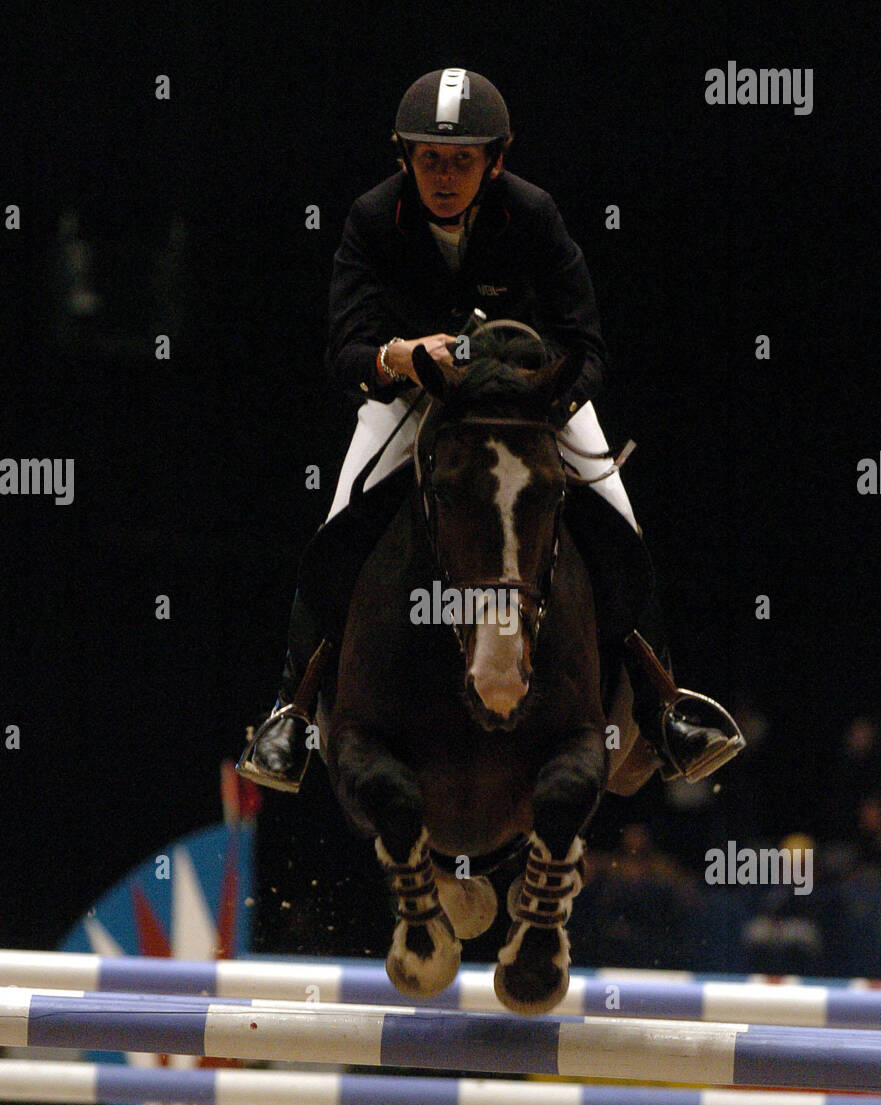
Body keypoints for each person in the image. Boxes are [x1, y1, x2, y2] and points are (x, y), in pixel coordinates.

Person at [238, 67, 744, 793]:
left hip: (525, 403)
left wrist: (539, 390)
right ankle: (289, 708)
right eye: (431, 159)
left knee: (621, 522)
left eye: (462, 160)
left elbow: (588, 345)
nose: (445, 176)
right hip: (418, 396)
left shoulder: (532, 214)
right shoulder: (372, 219)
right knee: (339, 518)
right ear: (404, 157)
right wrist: (400, 356)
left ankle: (666, 707)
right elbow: (344, 352)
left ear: (495, 160)